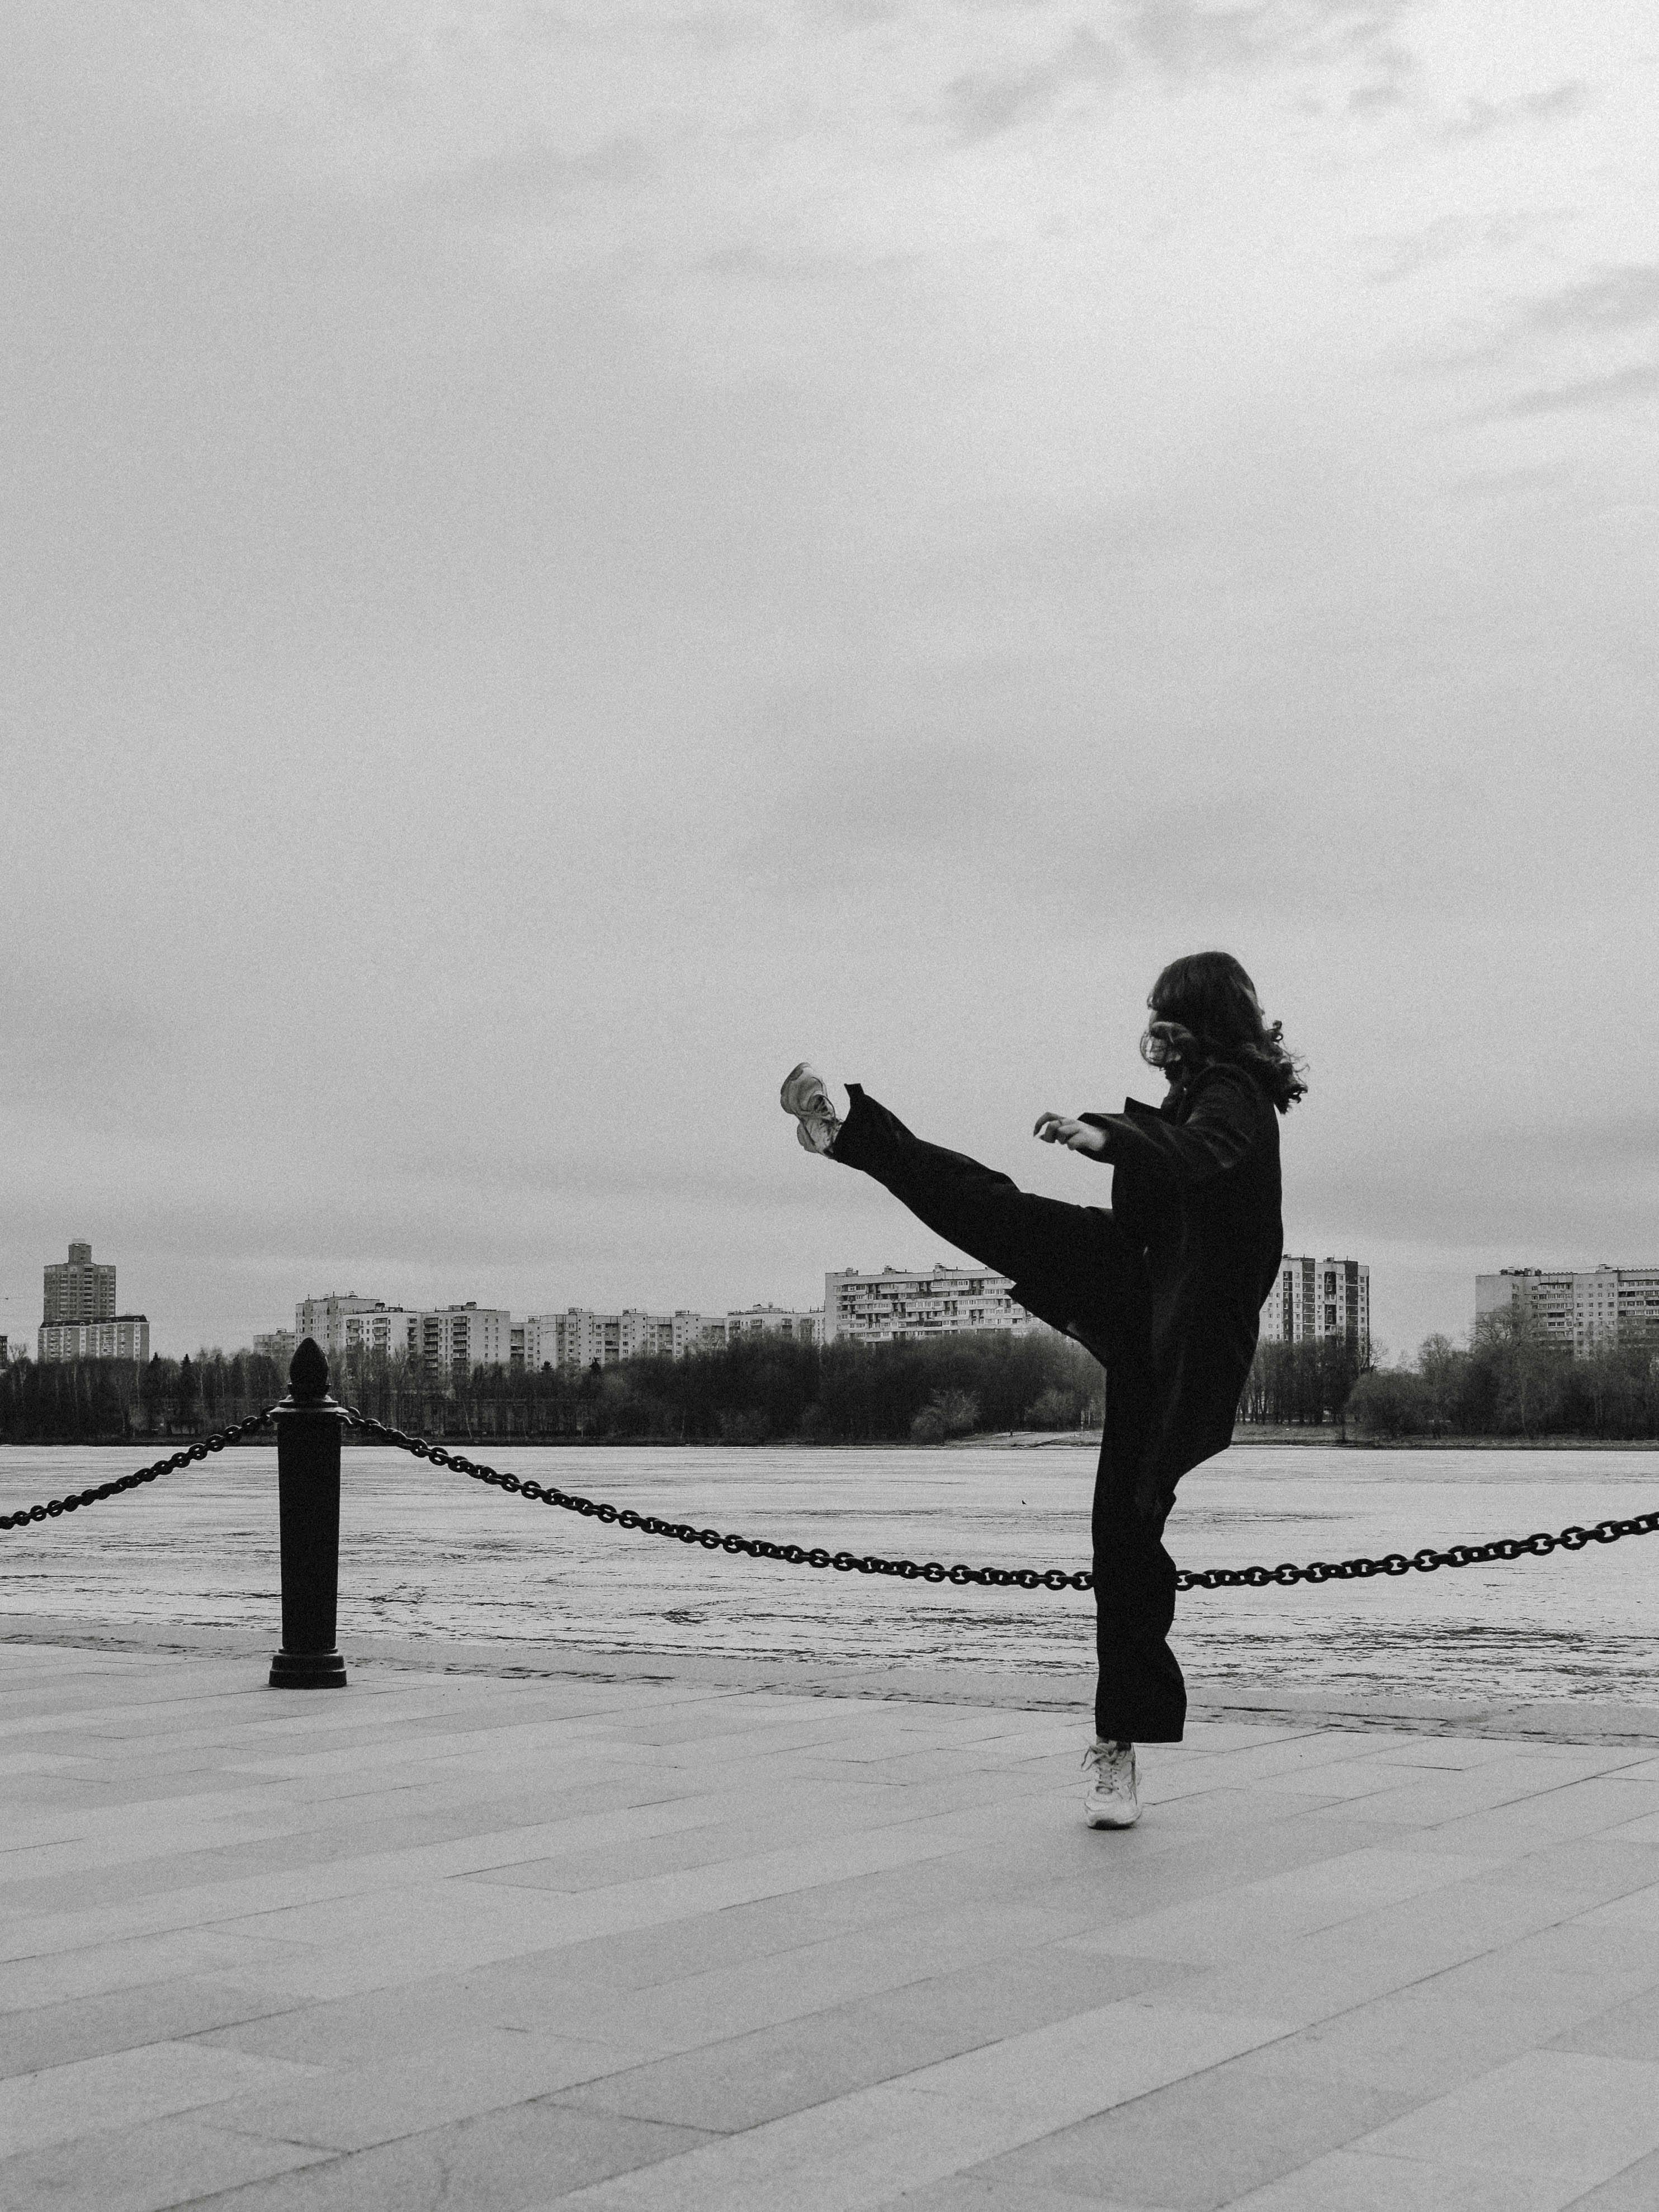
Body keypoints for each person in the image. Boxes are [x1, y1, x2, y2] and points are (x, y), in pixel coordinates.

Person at [781, 951, 1300, 1828]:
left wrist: (1112, 1135)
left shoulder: (1235, 1097)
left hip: (1182, 1336)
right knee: (998, 1209)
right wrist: (1127, 1140)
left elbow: (1202, 1154)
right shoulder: (1190, 1098)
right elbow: (1172, 1163)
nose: (1156, 1035)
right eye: (1151, 1017)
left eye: (1168, 1016)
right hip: (1138, 1290)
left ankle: (1117, 1746)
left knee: (1128, 1539)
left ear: (1206, 1023)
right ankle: (850, 1135)